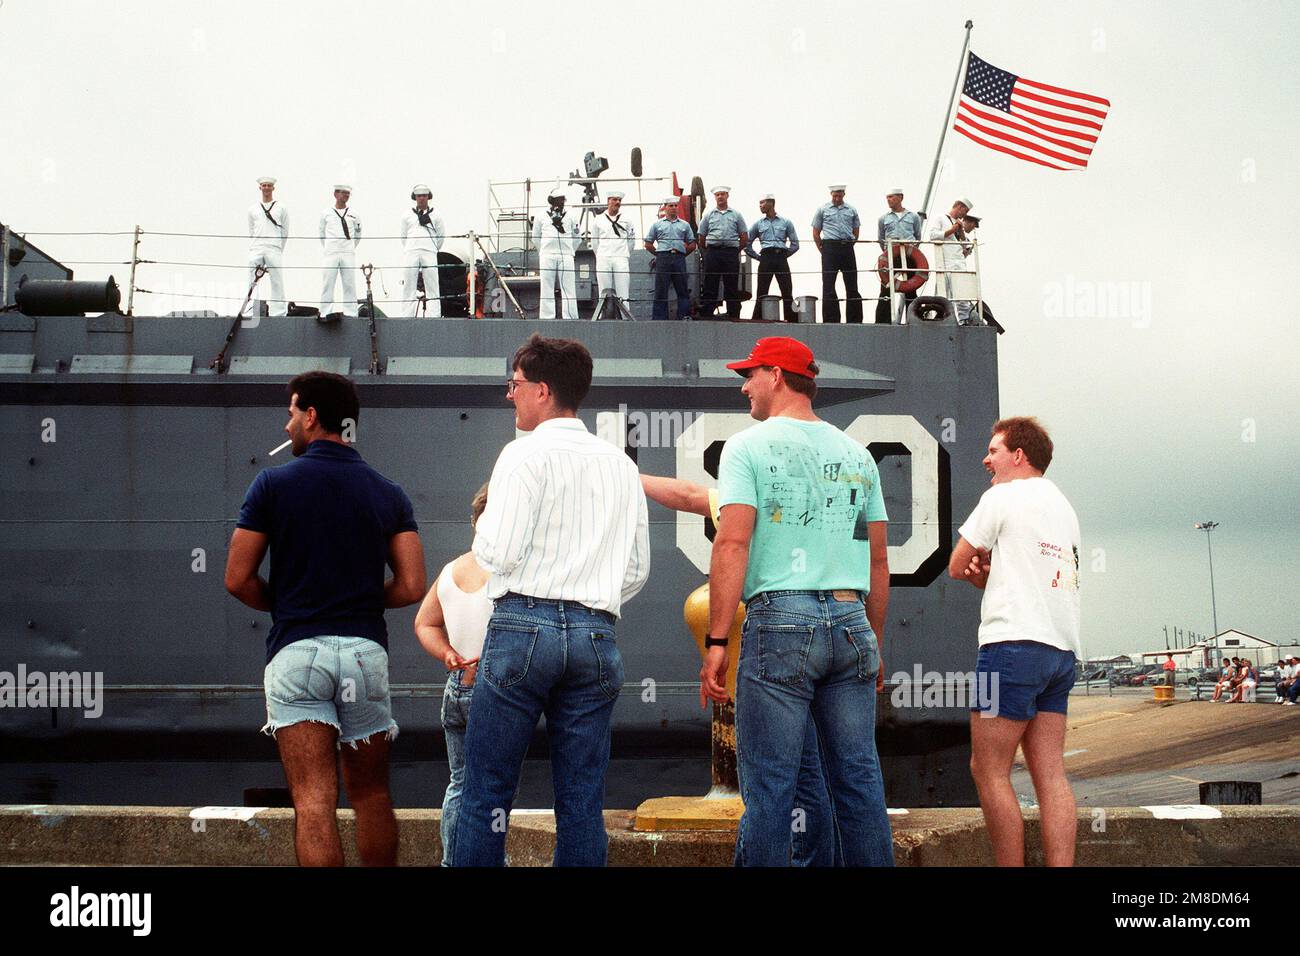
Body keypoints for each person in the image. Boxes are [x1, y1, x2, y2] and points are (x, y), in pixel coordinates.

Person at [451, 334, 650, 867]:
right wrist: (591, 603)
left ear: (541, 391)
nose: (509, 396)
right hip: (596, 632)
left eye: (514, 386)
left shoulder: (522, 454)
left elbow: (497, 549)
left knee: (486, 791)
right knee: (582, 800)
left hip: (523, 628)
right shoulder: (622, 466)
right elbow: (635, 570)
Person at [702, 336, 893, 867]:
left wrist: (718, 640)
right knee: (858, 781)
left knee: (770, 790)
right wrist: (873, 642)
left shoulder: (748, 447)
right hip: (852, 621)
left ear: (777, 377)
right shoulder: (858, 455)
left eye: (750, 374)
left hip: (782, 621)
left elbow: (733, 542)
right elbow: (877, 562)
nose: (745, 387)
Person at [224, 371, 426, 866]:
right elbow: (412, 585)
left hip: (297, 653)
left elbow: (237, 577)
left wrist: (292, 602)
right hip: (363, 654)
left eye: (291, 412)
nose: (288, 422)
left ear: (312, 416)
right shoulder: (388, 491)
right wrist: (353, 599)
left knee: (313, 802)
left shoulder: (272, 483)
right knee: (372, 795)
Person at [638, 473, 840, 866]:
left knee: (766, 780)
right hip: (838, 627)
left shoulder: (754, 494)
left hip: (778, 632)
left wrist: (717, 644)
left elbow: (691, 498)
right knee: (813, 771)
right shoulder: (832, 498)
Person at [948, 416, 1081, 867]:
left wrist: (976, 569)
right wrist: (993, 577)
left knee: (987, 770)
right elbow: (1035, 580)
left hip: (1007, 650)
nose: (987, 459)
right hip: (1061, 652)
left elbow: (956, 563)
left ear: (1018, 455)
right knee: (1051, 776)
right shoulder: (1064, 508)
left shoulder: (1001, 496)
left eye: (994, 450)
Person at [413, 482, 492, 866]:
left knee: (459, 783)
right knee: (491, 789)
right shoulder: (509, 572)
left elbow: (424, 624)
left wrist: (447, 652)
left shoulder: (451, 570)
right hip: (492, 690)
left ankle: (452, 861)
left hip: (456, 687)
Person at [811, 184, 862, 323]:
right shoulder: (822, 209)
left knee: (852, 284)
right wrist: (822, 249)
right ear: (831, 195)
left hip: (847, 247)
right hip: (829, 247)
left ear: (844, 194)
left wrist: (849, 244)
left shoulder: (851, 210)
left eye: (839, 196)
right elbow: (816, 232)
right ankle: (831, 319)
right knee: (828, 285)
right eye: (834, 196)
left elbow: (856, 231)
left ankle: (854, 319)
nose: (837, 198)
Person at [747, 193, 800, 322]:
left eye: (762, 203)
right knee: (762, 290)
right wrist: (759, 257)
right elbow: (746, 244)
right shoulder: (758, 224)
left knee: (787, 290)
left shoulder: (786, 222)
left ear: (771, 203)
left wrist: (783, 255)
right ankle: (757, 318)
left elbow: (795, 244)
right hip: (766, 257)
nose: (760, 206)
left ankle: (792, 319)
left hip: (781, 257)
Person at [697, 186, 747, 320]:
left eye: (722, 194)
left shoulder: (736, 215)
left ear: (727, 196)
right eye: (718, 195)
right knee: (710, 283)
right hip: (713, 253)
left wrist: (736, 250)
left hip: (730, 253)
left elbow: (744, 236)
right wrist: (708, 252)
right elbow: (701, 236)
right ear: (715, 197)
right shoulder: (708, 215)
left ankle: (733, 313)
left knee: (731, 283)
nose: (720, 197)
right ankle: (707, 312)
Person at [644, 197, 697, 321]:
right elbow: (648, 243)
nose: (673, 208)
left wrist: (682, 254)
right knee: (661, 290)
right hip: (663, 258)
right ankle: (659, 318)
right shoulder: (657, 225)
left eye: (675, 205)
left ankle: (683, 316)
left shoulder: (685, 225)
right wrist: (659, 255)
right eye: (670, 206)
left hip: (679, 258)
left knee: (682, 289)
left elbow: (692, 244)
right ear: (665, 207)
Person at [532, 186, 579, 320]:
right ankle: (547, 317)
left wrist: (570, 252)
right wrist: (544, 251)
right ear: (552, 201)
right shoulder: (541, 216)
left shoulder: (571, 215)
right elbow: (536, 237)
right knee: (546, 287)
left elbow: (577, 238)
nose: (562, 203)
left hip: (566, 255)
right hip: (547, 255)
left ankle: (570, 317)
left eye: (563, 200)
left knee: (568, 288)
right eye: (559, 200)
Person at [876, 187, 922, 324]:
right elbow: (881, 239)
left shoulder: (913, 217)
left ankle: (912, 320)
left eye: (891, 197)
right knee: (886, 287)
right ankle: (882, 321)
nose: (888, 200)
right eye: (887, 197)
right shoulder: (883, 218)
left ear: (900, 197)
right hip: (891, 256)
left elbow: (917, 236)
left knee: (911, 288)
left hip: (909, 256)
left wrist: (911, 251)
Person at [926, 198, 976, 325]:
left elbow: (965, 248)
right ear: (959, 206)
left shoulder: (959, 225)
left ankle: (964, 319)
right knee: (944, 293)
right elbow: (933, 235)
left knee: (962, 293)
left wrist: (961, 232)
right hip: (946, 262)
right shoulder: (941, 218)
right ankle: (940, 317)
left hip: (959, 263)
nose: (965, 215)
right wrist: (952, 230)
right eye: (965, 211)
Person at [400, 184, 445, 318]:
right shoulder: (407, 215)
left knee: (432, 284)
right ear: (415, 197)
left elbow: (441, 235)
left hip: (429, 250)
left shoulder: (436, 215)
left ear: (428, 197)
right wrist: (411, 247)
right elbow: (403, 236)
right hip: (411, 250)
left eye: (424, 196)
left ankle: (434, 314)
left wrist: (432, 248)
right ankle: (407, 314)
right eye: (419, 196)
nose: (421, 199)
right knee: (409, 283)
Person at [247, 176, 289, 317]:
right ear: (260, 188)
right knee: (252, 279)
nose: (266, 188)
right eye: (264, 185)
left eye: (268, 185)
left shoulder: (281, 207)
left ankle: (279, 311)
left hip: (273, 247)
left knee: (277, 280)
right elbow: (251, 229)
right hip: (257, 246)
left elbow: (285, 230)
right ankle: (253, 309)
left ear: (273, 188)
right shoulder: (253, 209)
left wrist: (278, 247)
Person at [319, 185, 362, 319]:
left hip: (347, 252)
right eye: (343, 193)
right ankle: (325, 311)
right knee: (328, 282)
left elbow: (358, 234)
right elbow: (321, 233)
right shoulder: (326, 213)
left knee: (349, 283)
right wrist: (329, 247)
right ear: (336, 194)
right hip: (331, 251)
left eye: (348, 193)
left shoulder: (353, 214)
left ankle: (351, 312)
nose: (346, 196)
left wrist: (349, 247)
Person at [589, 190, 637, 309]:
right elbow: (595, 241)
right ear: (608, 201)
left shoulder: (627, 220)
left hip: (621, 257)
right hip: (604, 257)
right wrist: (600, 255)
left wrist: (625, 254)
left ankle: (624, 316)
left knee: (623, 290)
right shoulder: (598, 219)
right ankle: (604, 316)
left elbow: (631, 240)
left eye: (619, 200)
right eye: (614, 200)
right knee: (604, 290)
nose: (617, 202)